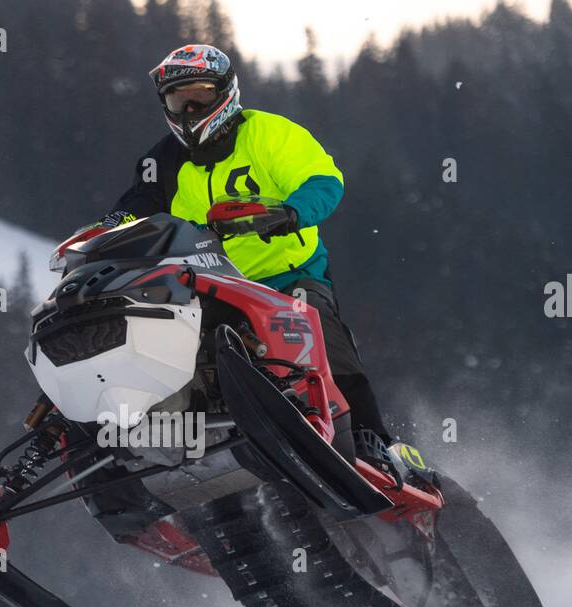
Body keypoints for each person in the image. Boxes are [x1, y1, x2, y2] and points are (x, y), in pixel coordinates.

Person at [105, 43, 408, 469]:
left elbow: (324, 181)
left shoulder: (270, 133)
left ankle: (371, 439)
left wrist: (290, 212)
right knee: (162, 350)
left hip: (287, 277)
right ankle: (182, 458)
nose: (190, 110)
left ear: (225, 93)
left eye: (200, 96)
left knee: (318, 331)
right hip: (206, 288)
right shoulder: (163, 160)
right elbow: (134, 207)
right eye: (179, 100)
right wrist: (103, 233)